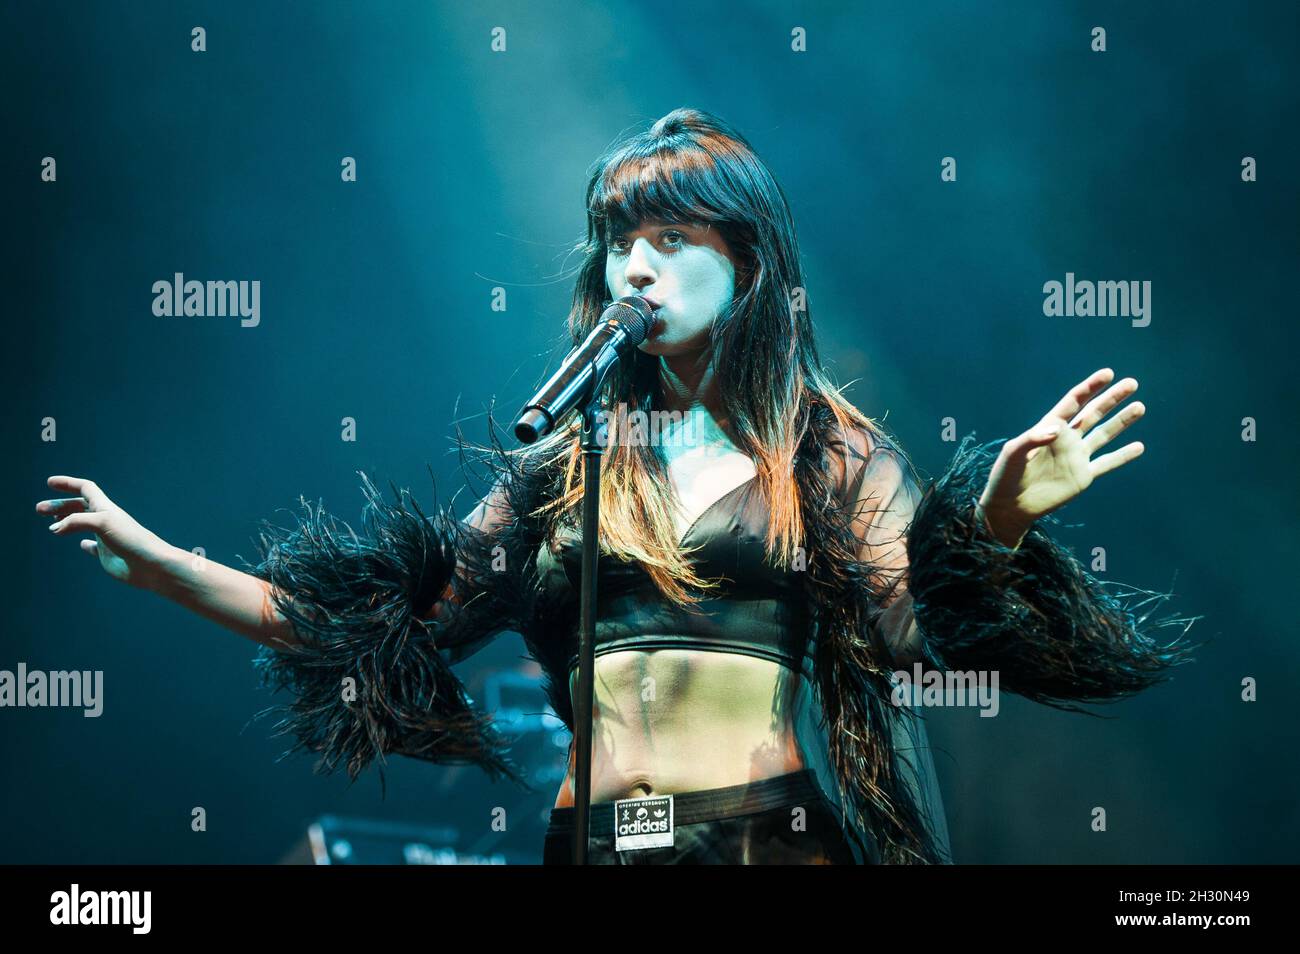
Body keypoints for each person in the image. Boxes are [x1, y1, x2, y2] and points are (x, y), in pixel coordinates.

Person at [38, 108, 1199, 865]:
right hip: (587, 844)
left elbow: (914, 630)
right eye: (616, 242)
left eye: (671, 237)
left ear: (748, 263)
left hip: (759, 842)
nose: (634, 264)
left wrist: (992, 519)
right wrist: (166, 569)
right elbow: (388, 633)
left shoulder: (826, 455)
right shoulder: (571, 465)